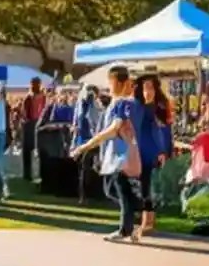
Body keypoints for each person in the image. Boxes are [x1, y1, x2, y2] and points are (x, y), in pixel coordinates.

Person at [71, 66, 144, 242]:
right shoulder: (113, 104)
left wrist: (85, 146)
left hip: (122, 155)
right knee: (112, 190)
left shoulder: (123, 103)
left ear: (122, 83)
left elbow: (113, 129)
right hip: (112, 155)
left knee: (119, 189)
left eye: (112, 82)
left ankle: (126, 228)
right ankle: (137, 214)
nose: (109, 86)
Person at [132, 75, 173, 234]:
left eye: (150, 88)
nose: (147, 92)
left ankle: (147, 223)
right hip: (137, 151)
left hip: (153, 153)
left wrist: (165, 152)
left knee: (149, 186)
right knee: (141, 188)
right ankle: (144, 221)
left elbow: (165, 132)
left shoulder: (160, 109)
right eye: (144, 88)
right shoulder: (136, 107)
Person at [19, 77, 47, 183]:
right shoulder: (29, 97)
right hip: (31, 124)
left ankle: (38, 173)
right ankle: (27, 174)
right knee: (27, 150)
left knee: (38, 150)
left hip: (36, 123)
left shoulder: (38, 97)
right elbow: (24, 113)